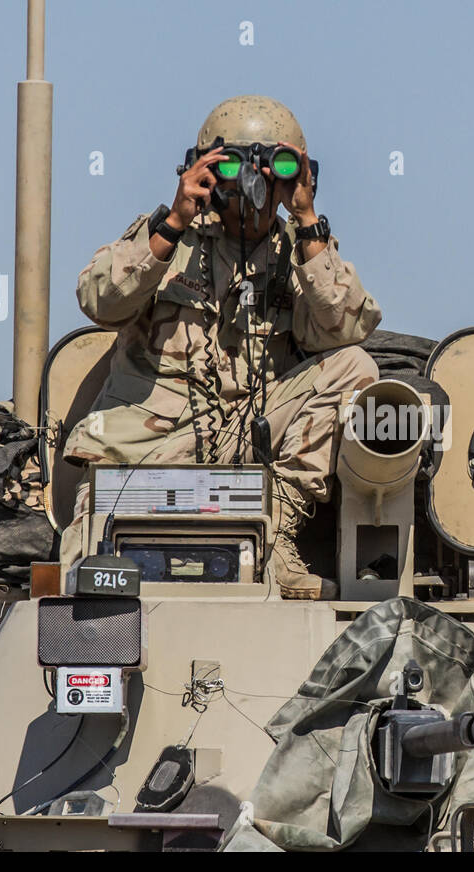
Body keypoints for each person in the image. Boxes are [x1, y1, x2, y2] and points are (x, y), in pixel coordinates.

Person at [59, 95, 381, 600]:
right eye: (230, 165)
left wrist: (306, 219)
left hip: (243, 446)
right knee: (90, 600)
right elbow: (98, 300)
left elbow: (347, 328)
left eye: (277, 168)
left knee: (355, 367)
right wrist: (174, 222)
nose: (252, 183)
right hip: (142, 451)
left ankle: (276, 541)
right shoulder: (167, 236)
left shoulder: (298, 251)